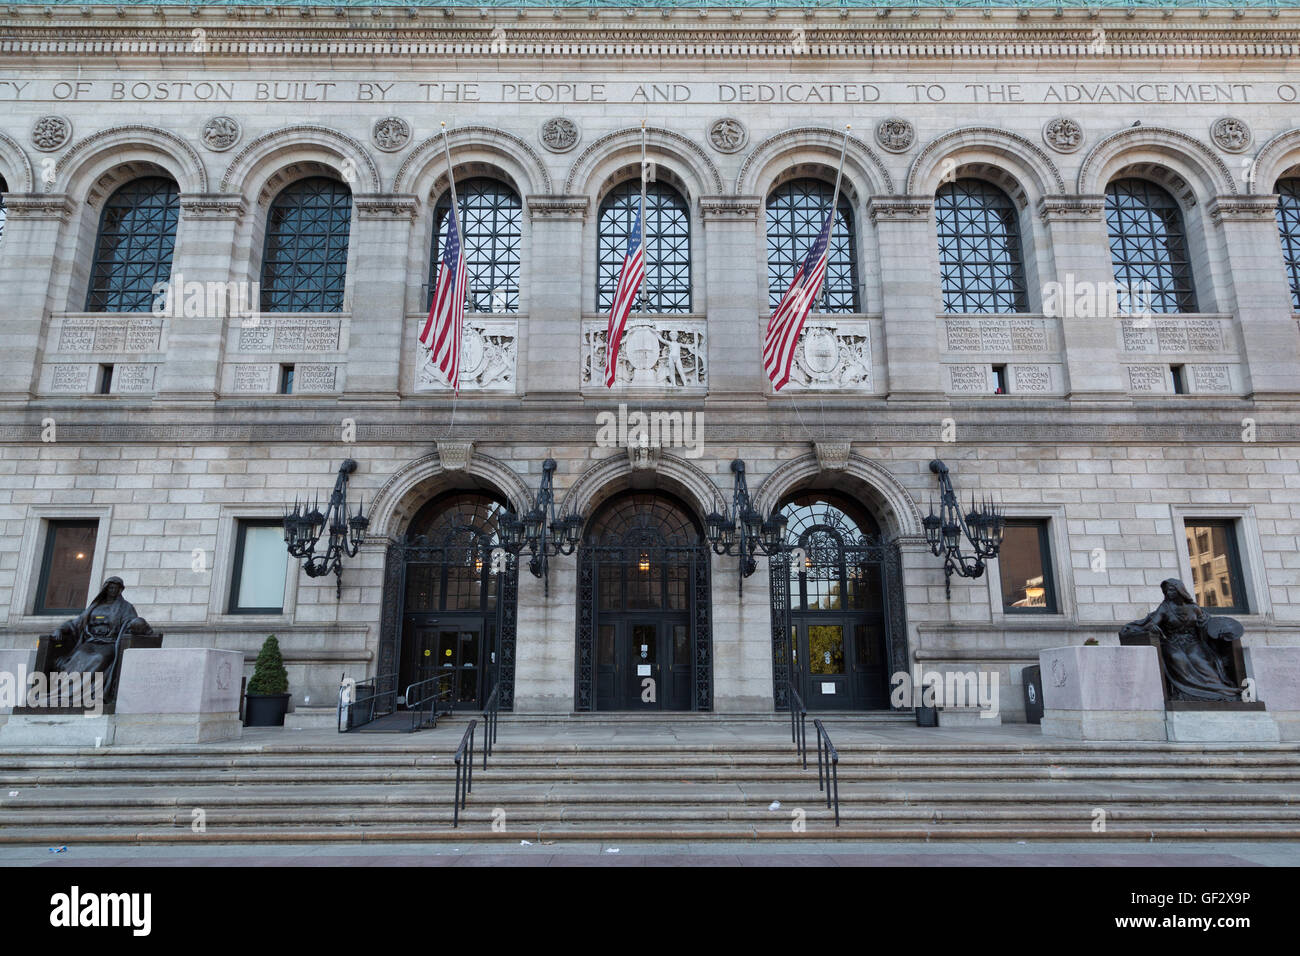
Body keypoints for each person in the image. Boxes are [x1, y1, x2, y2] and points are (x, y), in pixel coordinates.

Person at [1123, 578, 1242, 701]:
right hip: (1172, 642)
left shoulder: (1194, 607)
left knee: (1201, 662)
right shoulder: (1165, 607)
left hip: (1192, 642)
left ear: (1180, 591)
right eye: (1167, 591)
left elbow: (1206, 623)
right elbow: (1152, 623)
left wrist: (1222, 630)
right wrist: (1152, 626)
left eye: (1171, 590)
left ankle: (1220, 690)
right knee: (1178, 659)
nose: (1168, 593)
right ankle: (1191, 692)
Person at [48, 576, 152, 691]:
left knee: (99, 658)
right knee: (78, 656)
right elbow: (76, 623)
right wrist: (61, 629)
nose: (112, 590)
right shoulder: (94, 607)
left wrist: (138, 625)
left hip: (109, 644)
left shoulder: (126, 607)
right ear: (106, 589)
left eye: (115, 588)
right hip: (91, 642)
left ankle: (80, 690)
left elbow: (131, 623)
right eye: (110, 588)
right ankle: (65, 689)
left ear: (120, 590)